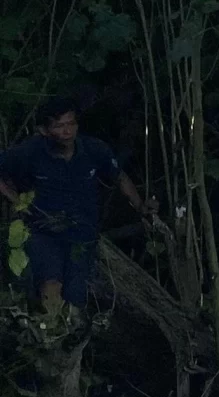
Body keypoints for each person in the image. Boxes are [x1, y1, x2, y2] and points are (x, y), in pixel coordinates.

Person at [0, 96, 147, 314]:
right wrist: (16, 199)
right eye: (59, 126)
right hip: (43, 230)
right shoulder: (30, 151)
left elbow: (119, 177)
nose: (67, 131)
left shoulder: (93, 149)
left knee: (76, 294)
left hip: (82, 233)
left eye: (71, 124)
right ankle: (49, 333)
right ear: (44, 130)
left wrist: (140, 206)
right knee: (50, 286)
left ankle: (72, 336)